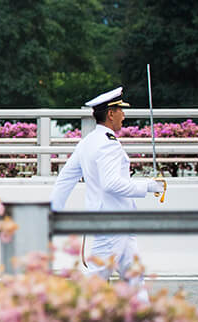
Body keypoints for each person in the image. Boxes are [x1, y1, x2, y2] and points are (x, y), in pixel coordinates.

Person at [50, 86, 165, 302]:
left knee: (134, 280)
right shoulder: (108, 145)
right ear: (111, 114)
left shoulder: (87, 143)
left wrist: (53, 210)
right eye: (120, 110)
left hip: (117, 224)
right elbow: (111, 184)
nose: (124, 115)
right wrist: (147, 186)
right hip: (112, 225)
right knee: (94, 286)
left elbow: (65, 179)